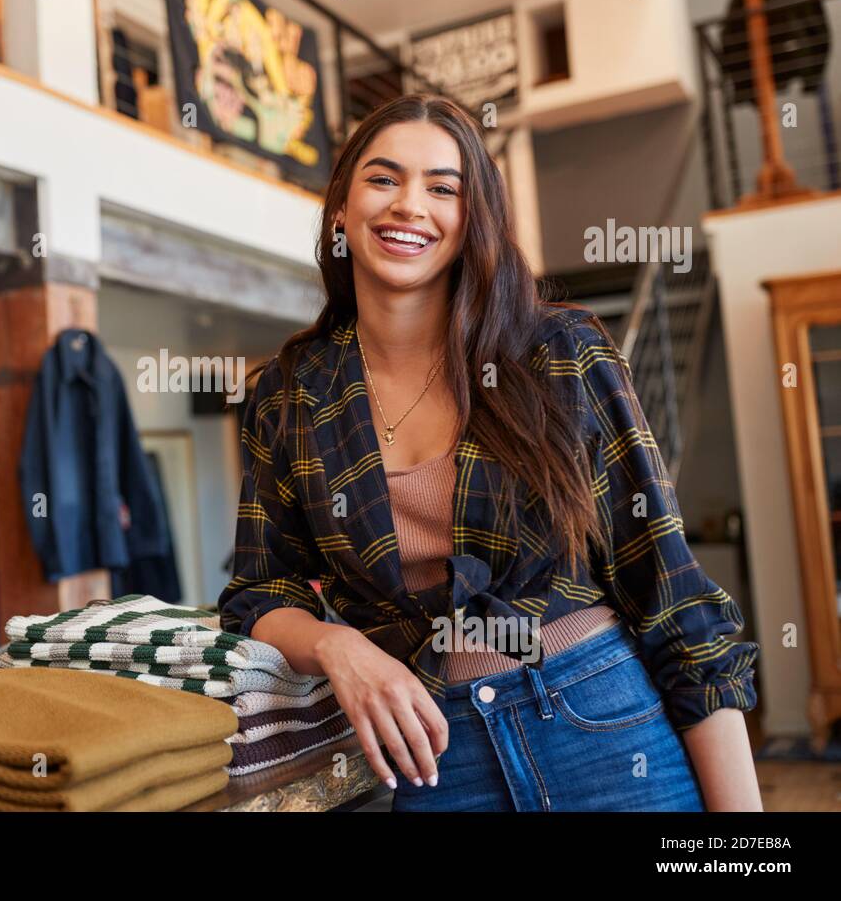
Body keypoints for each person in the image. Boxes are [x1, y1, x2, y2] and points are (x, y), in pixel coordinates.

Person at [218, 93, 761, 812]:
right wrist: (338, 647)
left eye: (444, 188)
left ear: (472, 220)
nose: (411, 204)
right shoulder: (289, 394)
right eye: (383, 179)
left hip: (601, 722)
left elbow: (671, 594)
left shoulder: (559, 353)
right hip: (436, 755)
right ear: (340, 211)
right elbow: (261, 590)